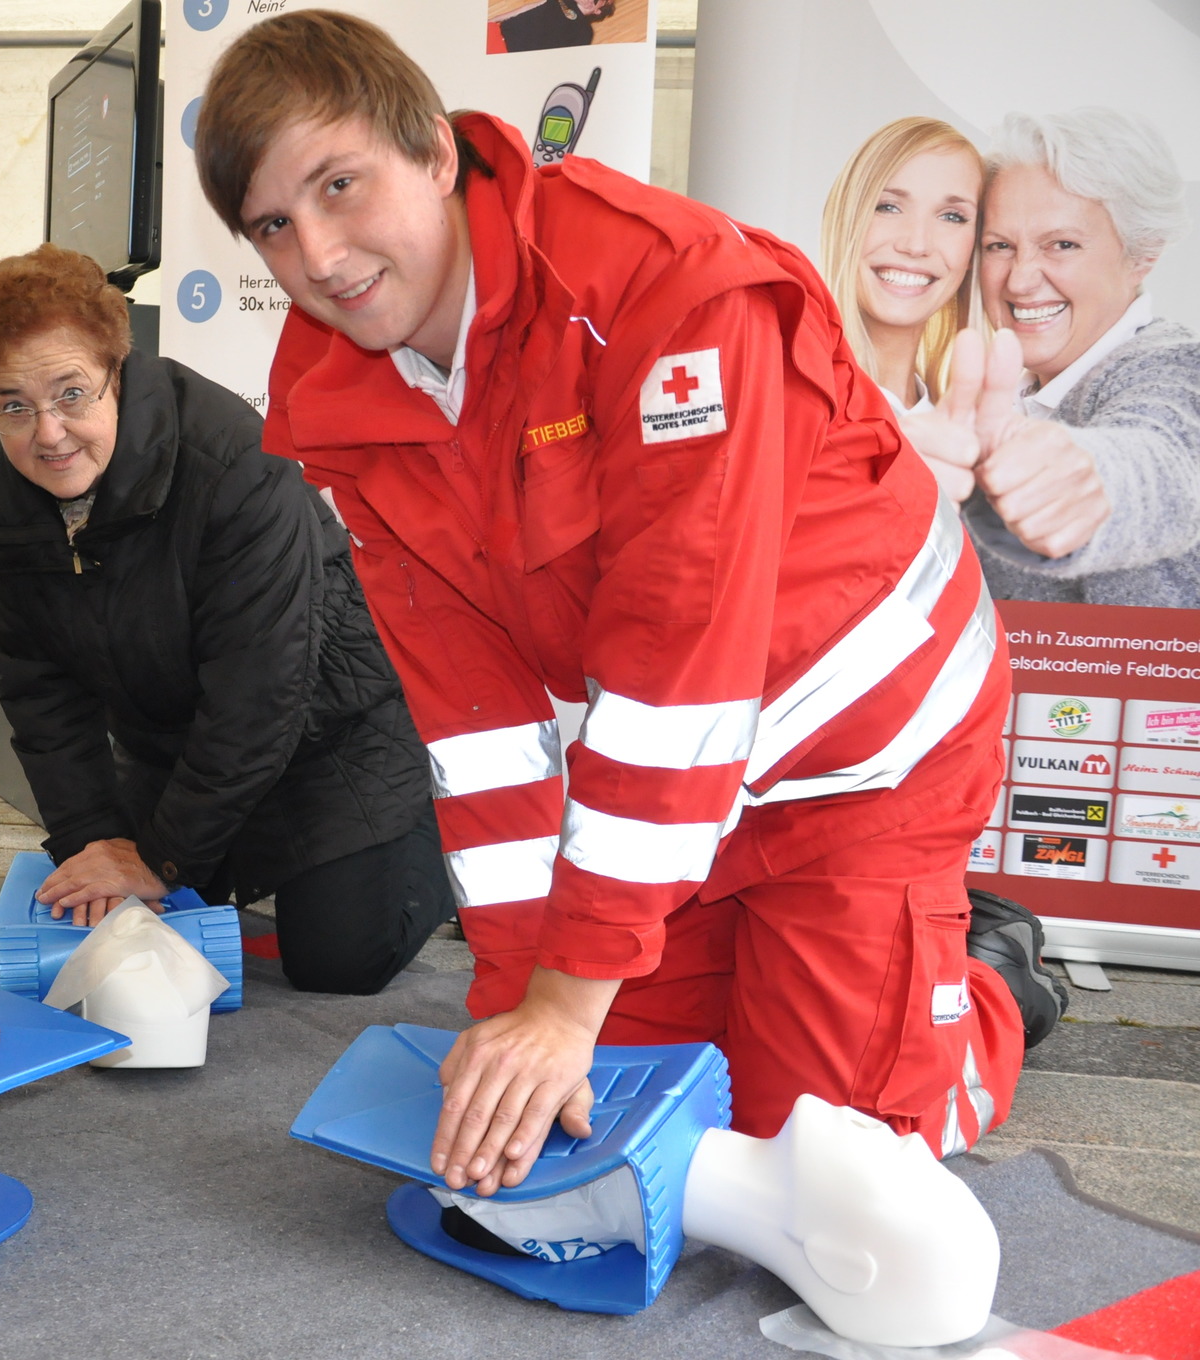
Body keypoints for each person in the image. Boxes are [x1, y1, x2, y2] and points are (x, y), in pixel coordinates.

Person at [193, 11, 1066, 1201]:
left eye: (340, 185)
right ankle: (863, 983)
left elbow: (679, 662)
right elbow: (474, 718)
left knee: (827, 1160)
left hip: (859, 753)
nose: (321, 253)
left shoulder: (664, 287)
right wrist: (517, 1002)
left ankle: (984, 990)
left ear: (437, 154)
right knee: (619, 1122)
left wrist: (570, 991)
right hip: (677, 785)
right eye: (274, 227)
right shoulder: (332, 392)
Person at [0, 244, 450, 995]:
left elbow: (260, 700)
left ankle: (434, 834)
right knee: (120, 926)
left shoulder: (239, 471)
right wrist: (97, 846)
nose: (47, 433)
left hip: (333, 739)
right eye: (12, 405)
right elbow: (40, 691)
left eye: (71, 394)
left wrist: (158, 859)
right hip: (178, 747)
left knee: (341, 961)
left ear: (116, 372)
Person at [946, 109, 1199, 608]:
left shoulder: (1176, 369)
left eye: (1062, 244)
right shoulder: (994, 399)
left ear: (1142, 255)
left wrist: (1091, 480)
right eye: (1000, 246)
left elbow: (1167, 456)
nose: (1019, 280)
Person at [819, 118, 984, 502]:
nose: (916, 243)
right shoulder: (786, 402)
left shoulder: (966, 436)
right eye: (888, 206)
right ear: (847, 219)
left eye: (952, 217)